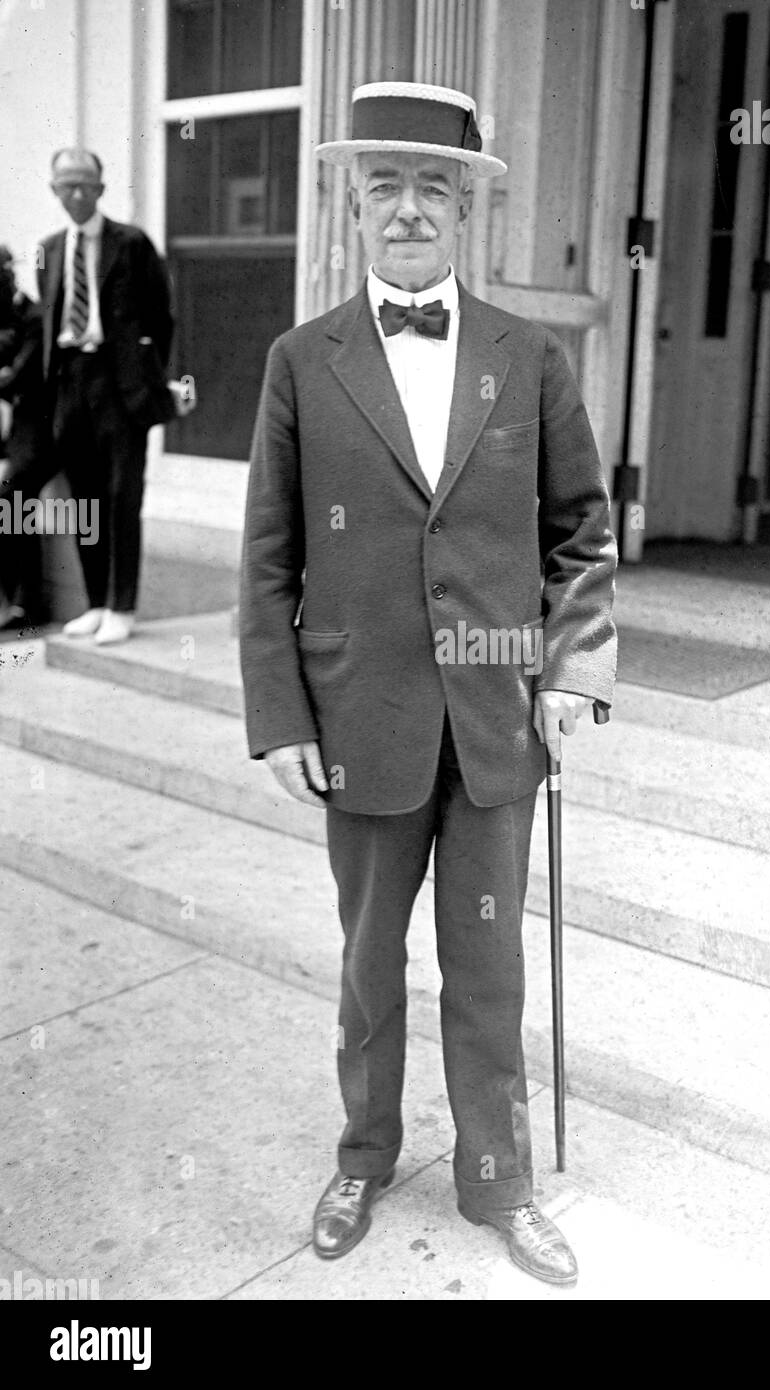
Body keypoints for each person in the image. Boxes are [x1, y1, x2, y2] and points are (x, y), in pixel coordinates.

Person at [239, 82, 617, 1288]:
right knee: (366, 965)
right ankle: (363, 1151)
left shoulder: (531, 356)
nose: (409, 211)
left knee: (490, 965)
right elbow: (266, 559)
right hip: (363, 720)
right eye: (385, 188)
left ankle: (499, 1182)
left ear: (468, 211)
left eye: (434, 190)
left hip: (500, 719)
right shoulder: (303, 362)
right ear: (355, 206)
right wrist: (281, 717)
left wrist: (574, 670)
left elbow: (583, 534)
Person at [36, 149, 175, 645]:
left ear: (101, 188)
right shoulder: (50, 249)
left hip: (120, 387)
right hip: (71, 383)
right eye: (66, 185)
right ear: (54, 190)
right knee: (84, 501)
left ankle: (122, 606)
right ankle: (95, 603)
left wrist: (147, 378)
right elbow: (49, 321)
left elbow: (161, 319)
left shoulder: (131, 244)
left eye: (85, 185)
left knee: (121, 496)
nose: (76, 194)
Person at [0, 245, 45, 630]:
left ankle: (26, 602)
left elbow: (18, 377)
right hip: (12, 430)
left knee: (12, 499)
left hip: (40, 429)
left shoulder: (33, 318)